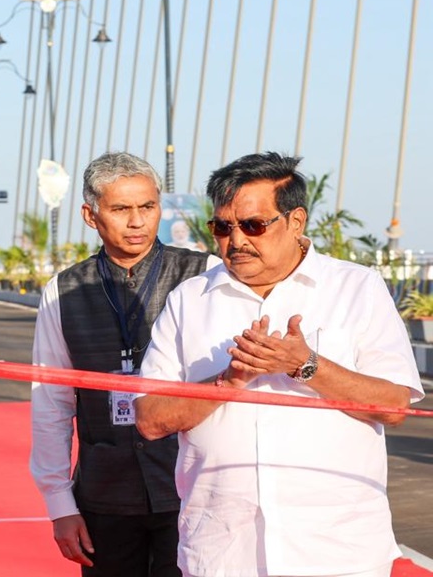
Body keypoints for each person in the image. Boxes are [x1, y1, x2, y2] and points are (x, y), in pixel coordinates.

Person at [136, 152, 423, 577]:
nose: (237, 241)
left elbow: (394, 405)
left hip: (337, 551)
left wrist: (306, 365)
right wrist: (229, 380)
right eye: (222, 227)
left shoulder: (356, 288)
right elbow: (150, 419)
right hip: (223, 552)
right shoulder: (188, 301)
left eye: (253, 225)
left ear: (295, 221)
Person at [31, 152, 217, 577]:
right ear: (90, 214)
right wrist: (60, 505)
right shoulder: (63, 291)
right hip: (104, 496)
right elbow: (51, 402)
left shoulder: (204, 275)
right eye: (121, 209)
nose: (138, 222)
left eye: (147, 207)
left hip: (192, 492)